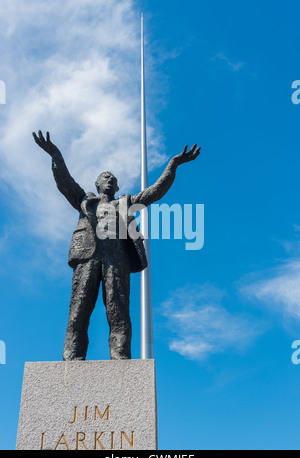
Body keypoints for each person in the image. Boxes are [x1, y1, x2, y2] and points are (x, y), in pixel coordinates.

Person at [33, 130, 201, 360]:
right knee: (78, 310)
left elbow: (156, 192)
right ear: (98, 184)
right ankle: (72, 356)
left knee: (118, 310)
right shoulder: (84, 201)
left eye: (113, 178)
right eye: (105, 177)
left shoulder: (127, 203)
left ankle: (120, 357)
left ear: (117, 186)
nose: (110, 179)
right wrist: (55, 154)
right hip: (88, 257)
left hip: (116, 260)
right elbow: (64, 181)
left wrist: (173, 165)